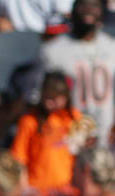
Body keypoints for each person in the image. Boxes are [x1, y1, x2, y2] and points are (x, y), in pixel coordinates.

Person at [41, 0, 115, 144]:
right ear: (73, 10)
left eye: (94, 5)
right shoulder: (53, 51)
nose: (88, 10)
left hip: (107, 132)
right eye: (83, 4)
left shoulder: (112, 47)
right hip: (67, 135)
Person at [11, 72, 92, 196]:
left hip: (66, 192)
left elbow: (84, 155)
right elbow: (19, 159)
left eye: (54, 98)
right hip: (37, 191)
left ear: (65, 97)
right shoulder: (30, 121)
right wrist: (25, 191)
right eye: (46, 97)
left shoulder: (74, 118)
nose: (49, 103)